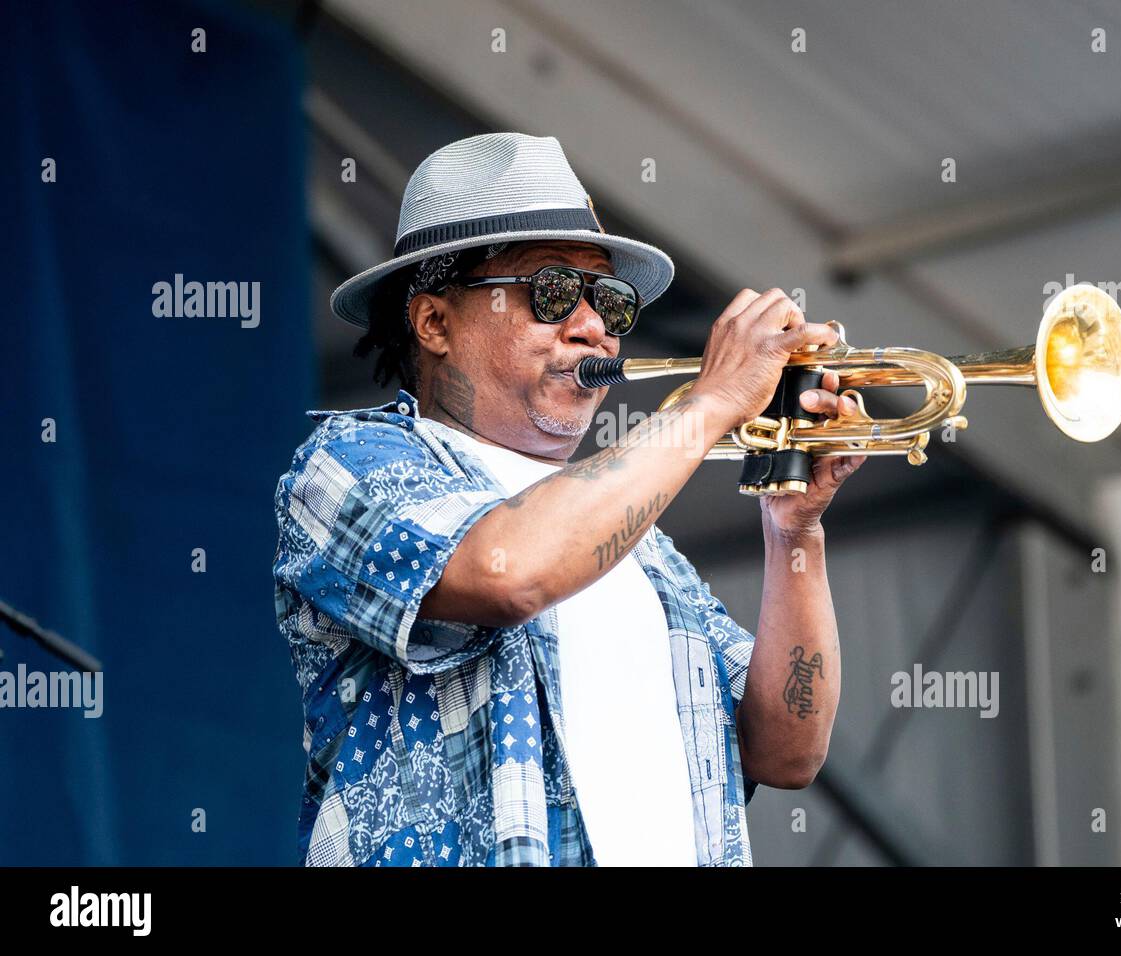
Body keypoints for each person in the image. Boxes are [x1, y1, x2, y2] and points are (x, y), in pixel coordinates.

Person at [272, 132, 865, 866]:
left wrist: (795, 531)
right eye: (551, 292)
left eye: (609, 302)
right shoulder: (348, 464)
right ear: (434, 323)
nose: (592, 327)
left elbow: (786, 751)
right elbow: (506, 570)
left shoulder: (642, 549)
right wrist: (712, 400)